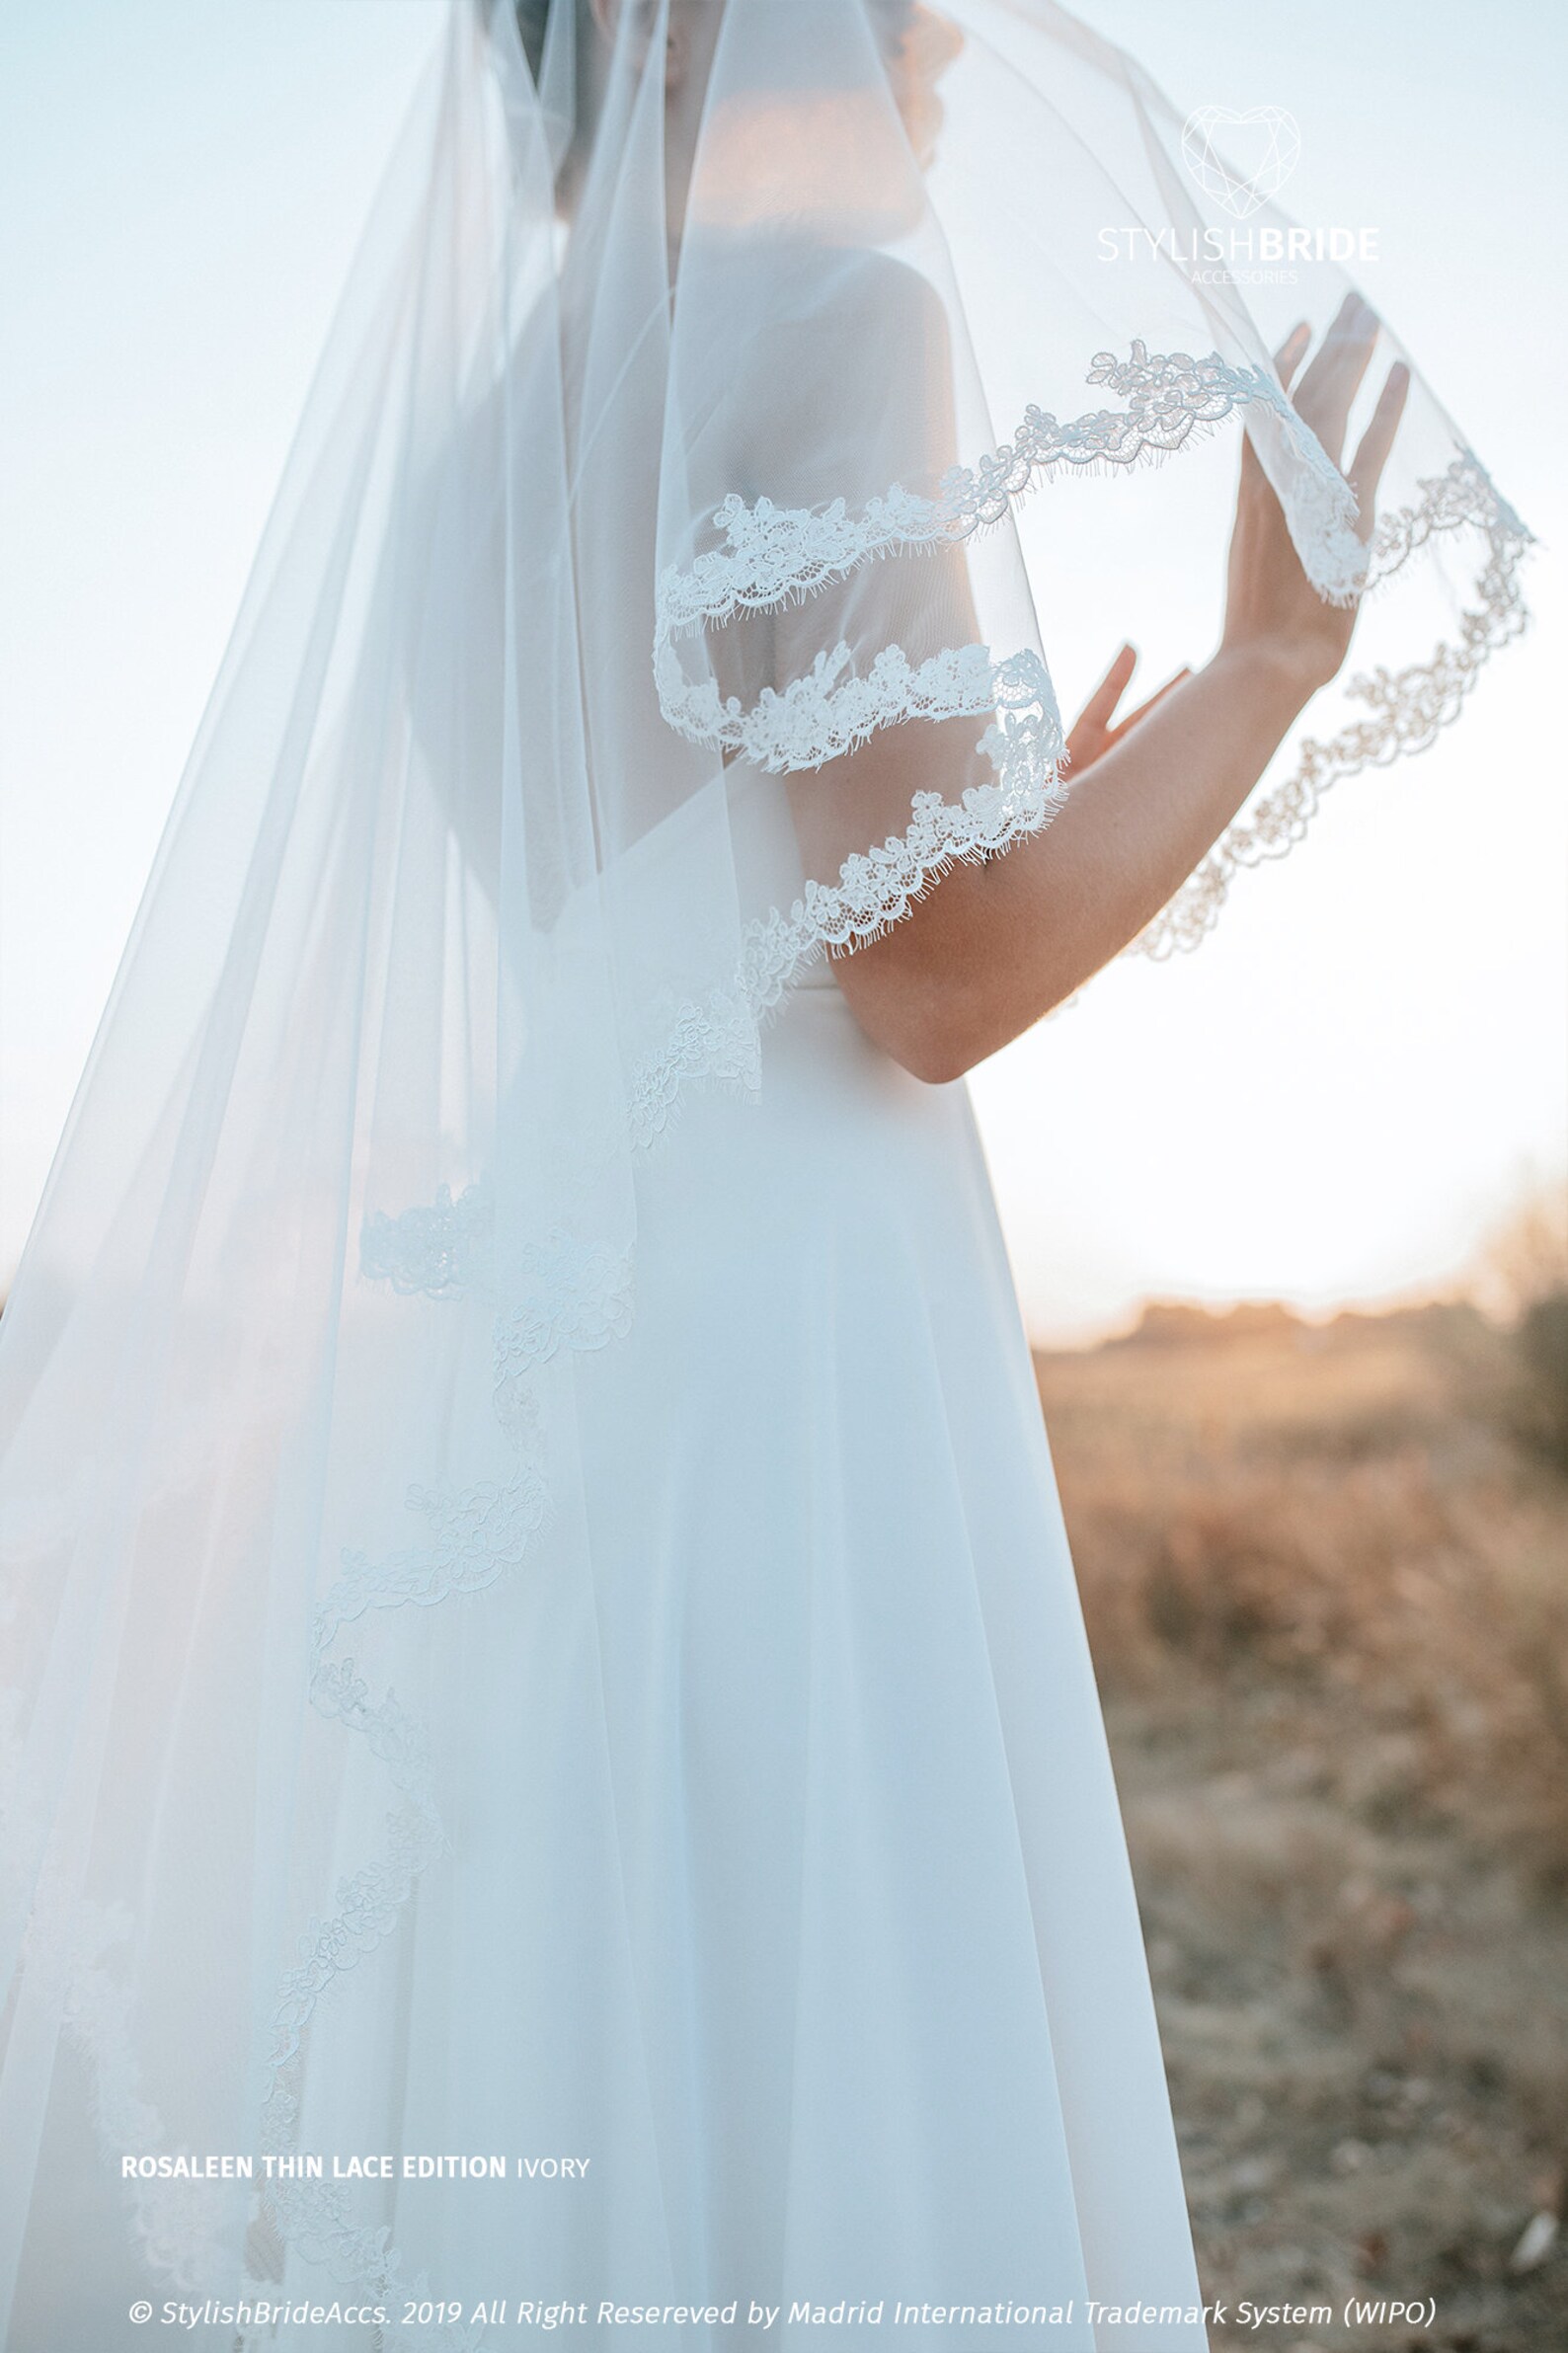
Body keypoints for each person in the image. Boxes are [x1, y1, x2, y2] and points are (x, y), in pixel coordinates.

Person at [0, 5, 1527, 2349]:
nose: (929, 31)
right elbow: (928, 978)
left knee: (614, 2013)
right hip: (794, 1339)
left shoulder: (479, 446)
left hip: (561, 1344)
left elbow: (724, 905)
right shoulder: (833, 312)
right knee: (824, 2002)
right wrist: (1262, 667)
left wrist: (995, 826)